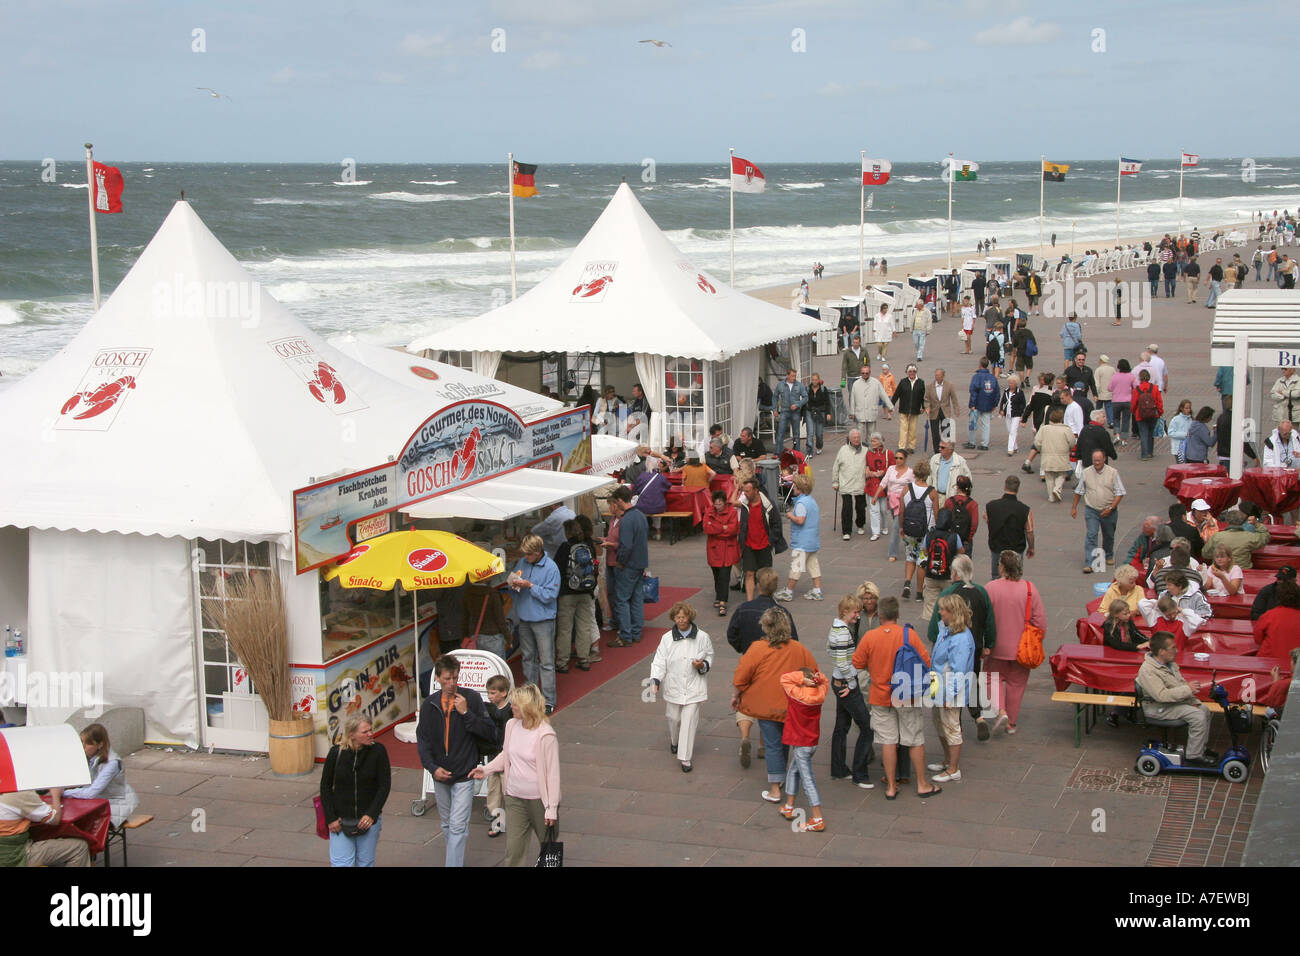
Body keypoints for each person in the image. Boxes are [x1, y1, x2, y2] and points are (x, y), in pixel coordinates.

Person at [851, 596, 941, 799]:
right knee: (915, 740)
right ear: (897, 614)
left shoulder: (870, 637)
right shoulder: (909, 635)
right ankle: (922, 784)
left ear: (880, 615)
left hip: (880, 696)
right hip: (906, 695)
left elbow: (856, 663)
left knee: (888, 741)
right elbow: (926, 663)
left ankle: (891, 786)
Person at [417, 655, 498, 867]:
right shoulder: (429, 705)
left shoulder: (470, 699)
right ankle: (455, 859)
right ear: (437, 678)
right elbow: (423, 741)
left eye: (454, 677)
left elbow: (490, 733)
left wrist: (466, 714)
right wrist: (433, 768)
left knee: (458, 826)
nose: (452, 683)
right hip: (440, 773)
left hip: (465, 772)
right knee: (447, 824)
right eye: (447, 679)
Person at [732, 607, 818, 803]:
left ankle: (775, 788)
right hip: (792, 705)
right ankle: (783, 778)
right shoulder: (799, 649)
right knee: (785, 742)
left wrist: (736, 695)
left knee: (772, 745)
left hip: (766, 705)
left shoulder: (757, 648)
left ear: (766, 626)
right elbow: (813, 673)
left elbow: (741, 676)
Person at [470, 683, 561, 867]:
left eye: (515, 704)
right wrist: (486, 769)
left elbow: (553, 774)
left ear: (527, 706)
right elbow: (506, 755)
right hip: (514, 798)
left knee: (548, 850)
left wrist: (551, 807)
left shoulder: (546, 735)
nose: (511, 706)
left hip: (539, 802)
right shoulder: (512, 725)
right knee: (513, 851)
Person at [646, 602, 714, 773]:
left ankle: (685, 758)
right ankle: (674, 741)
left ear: (689, 617)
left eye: (683, 617)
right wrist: (655, 679)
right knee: (674, 718)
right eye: (677, 617)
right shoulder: (667, 638)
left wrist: (702, 665)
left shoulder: (702, 637)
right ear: (673, 618)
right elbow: (660, 660)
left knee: (689, 721)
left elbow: (709, 655)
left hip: (694, 687)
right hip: (674, 685)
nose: (681, 620)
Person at [985, 550, 1046, 736]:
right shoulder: (1029, 589)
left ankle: (1000, 711)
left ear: (1001, 567)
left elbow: (983, 618)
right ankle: (1011, 722)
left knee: (991, 679)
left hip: (996, 647)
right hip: (1022, 648)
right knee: (1016, 684)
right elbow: (1040, 622)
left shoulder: (990, 588)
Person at [320, 715, 391, 867]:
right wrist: (330, 818)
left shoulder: (378, 751)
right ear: (352, 735)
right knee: (341, 864)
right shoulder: (336, 753)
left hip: (368, 821)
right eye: (365, 732)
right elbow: (325, 787)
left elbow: (384, 786)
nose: (370, 734)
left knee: (365, 863)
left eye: (371, 730)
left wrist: (372, 814)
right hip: (340, 820)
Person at [1136, 632, 1214, 765]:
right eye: (1172, 648)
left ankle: (1200, 748)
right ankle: (1194, 756)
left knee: (1204, 710)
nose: (1176, 651)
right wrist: (1188, 690)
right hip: (1157, 707)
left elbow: (1179, 685)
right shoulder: (1148, 670)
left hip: (1170, 704)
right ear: (1161, 651)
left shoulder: (1170, 664)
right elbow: (1161, 696)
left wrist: (1192, 701)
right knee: (1198, 716)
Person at [508, 534, 561, 710]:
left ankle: (548, 700)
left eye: (529, 554)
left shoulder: (551, 568)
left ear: (538, 552)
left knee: (546, 661)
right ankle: (531, 696)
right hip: (524, 618)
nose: (526, 557)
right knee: (528, 658)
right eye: (525, 554)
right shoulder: (523, 563)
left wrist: (531, 586)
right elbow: (514, 581)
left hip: (543, 620)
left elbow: (550, 596)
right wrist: (513, 584)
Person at [827, 594, 874, 789]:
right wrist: (852, 683)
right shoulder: (844, 633)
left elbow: (831, 652)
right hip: (846, 684)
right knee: (867, 727)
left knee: (842, 725)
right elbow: (841, 661)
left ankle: (838, 769)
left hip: (838, 681)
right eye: (856, 612)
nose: (858, 615)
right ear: (845, 612)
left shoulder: (836, 628)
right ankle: (859, 774)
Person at [776, 667, 830, 830]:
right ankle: (789, 806)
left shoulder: (796, 695)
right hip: (812, 741)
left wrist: (800, 679)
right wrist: (816, 678)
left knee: (808, 780)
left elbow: (784, 677)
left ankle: (817, 817)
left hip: (800, 742)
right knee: (793, 771)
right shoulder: (820, 694)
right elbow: (825, 680)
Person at [928, 595, 975, 782]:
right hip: (938, 685)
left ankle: (953, 769)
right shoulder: (947, 629)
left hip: (949, 689)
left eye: (943, 610)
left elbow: (959, 670)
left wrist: (950, 696)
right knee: (939, 723)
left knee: (951, 727)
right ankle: (948, 761)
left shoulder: (960, 638)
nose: (939, 612)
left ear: (952, 613)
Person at [62, 723, 139, 828]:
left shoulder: (112, 763)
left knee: (81, 821)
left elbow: (91, 793)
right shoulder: (90, 757)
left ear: (100, 744)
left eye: (88, 743)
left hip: (116, 804)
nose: (83, 747)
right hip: (100, 800)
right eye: (82, 742)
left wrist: (63, 792)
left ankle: (89, 844)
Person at [0, 789, 90, 867]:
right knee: (79, 847)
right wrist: (56, 795)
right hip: (13, 856)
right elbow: (54, 819)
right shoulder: (18, 793)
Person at [554, 519, 599, 673]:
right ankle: (584, 658)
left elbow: (557, 569)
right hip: (586, 592)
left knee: (565, 629)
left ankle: (562, 662)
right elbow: (594, 567)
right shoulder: (589, 545)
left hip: (568, 594)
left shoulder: (565, 547)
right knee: (584, 627)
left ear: (568, 532)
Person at [606, 487, 649, 648]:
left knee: (622, 599)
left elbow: (625, 546)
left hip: (628, 565)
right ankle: (636, 632)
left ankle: (625, 635)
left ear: (619, 501)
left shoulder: (627, 520)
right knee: (637, 598)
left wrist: (620, 562)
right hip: (640, 563)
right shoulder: (640, 516)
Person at [1072, 450, 1125, 574]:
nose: (1096, 462)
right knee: (1091, 534)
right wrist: (1074, 507)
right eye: (1094, 460)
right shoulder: (1086, 473)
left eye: (1099, 460)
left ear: (1104, 459)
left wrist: (1111, 508)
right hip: (1091, 509)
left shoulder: (1113, 473)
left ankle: (1108, 554)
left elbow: (1120, 493)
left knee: (1109, 534)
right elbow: (1079, 491)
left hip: (1109, 510)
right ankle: (1089, 563)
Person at [775, 473, 822, 602]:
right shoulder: (811, 500)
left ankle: (788, 591)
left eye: (795, 486)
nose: (793, 488)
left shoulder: (801, 503)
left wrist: (790, 515)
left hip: (802, 541)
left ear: (800, 488)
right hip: (813, 540)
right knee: (813, 565)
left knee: (796, 567)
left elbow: (801, 520)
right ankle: (817, 590)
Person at [736, 476, 784, 600]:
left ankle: (767, 599)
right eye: (743, 491)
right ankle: (750, 601)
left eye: (747, 491)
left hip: (764, 545)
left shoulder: (768, 505)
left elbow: (776, 525)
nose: (744, 494)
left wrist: (770, 542)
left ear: (756, 490)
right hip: (748, 545)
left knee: (765, 576)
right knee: (749, 573)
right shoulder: (745, 504)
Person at [899, 460, 939, 602]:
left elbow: (901, 511)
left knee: (910, 556)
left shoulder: (907, 489)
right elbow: (936, 513)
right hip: (926, 532)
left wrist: (901, 527)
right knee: (922, 560)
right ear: (928, 474)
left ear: (915, 473)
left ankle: (907, 582)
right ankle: (919, 592)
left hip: (910, 529)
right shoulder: (932, 492)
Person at [920, 507, 964, 622]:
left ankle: (933, 627)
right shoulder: (954, 536)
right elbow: (961, 552)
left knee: (931, 605)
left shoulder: (929, 535)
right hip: (948, 576)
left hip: (931, 574)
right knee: (950, 604)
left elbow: (925, 551)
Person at [703, 489, 740, 616]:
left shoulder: (732, 512)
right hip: (714, 549)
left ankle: (723, 602)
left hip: (727, 550)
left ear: (724, 502)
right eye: (716, 504)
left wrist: (716, 528)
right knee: (717, 575)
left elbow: (733, 529)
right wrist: (723, 527)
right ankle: (719, 596)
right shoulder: (709, 511)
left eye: (720, 503)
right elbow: (707, 528)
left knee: (724, 576)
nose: (717, 506)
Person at [874, 449, 914, 563]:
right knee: (903, 527)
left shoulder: (910, 472)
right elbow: (884, 483)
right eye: (896, 458)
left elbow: (914, 486)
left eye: (900, 458)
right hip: (891, 501)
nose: (898, 460)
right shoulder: (891, 469)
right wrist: (876, 496)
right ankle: (910, 544)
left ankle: (892, 553)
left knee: (896, 527)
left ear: (905, 459)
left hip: (904, 502)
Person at [1030, 406, 1075, 503]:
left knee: (1049, 476)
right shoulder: (1066, 429)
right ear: (1061, 418)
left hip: (1047, 456)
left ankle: (1051, 496)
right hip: (1062, 456)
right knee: (1063, 473)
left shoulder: (1044, 429)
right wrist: (1069, 449)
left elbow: (1037, 442)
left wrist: (1041, 450)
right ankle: (1057, 488)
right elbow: (1072, 442)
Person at [1202, 508, 1272, 569]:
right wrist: (1256, 524)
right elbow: (1265, 536)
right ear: (1243, 521)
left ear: (1227, 521)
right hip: (1243, 571)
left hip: (1221, 570)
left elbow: (1205, 554)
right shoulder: (1250, 537)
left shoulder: (1217, 536)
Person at [832, 428, 868, 540]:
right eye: (854, 438)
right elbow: (835, 467)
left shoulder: (866, 450)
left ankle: (860, 524)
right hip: (845, 483)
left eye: (858, 437)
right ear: (850, 439)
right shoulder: (843, 450)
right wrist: (835, 482)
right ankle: (846, 531)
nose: (856, 440)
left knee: (861, 507)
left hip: (860, 483)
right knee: (847, 508)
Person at [1254, 580, 1300, 660]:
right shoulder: (1269, 615)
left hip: (1269, 661)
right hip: (1295, 662)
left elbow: (1258, 638)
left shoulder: (1269, 615)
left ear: (1279, 597)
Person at [891, 364, 926, 455]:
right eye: (910, 371)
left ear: (916, 372)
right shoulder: (903, 382)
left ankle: (911, 446)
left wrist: (924, 407)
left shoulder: (921, 382)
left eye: (914, 371)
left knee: (913, 429)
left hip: (915, 409)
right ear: (907, 372)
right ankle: (902, 447)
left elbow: (923, 396)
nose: (912, 373)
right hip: (904, 409)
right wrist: (891, 405)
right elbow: (896, 394)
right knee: (903, 429)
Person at [849, 362, 891, 435]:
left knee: (871, 434)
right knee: (859, 434)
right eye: (863, 373)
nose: (865, 374)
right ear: (861, 373)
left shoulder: (876, 382)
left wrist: (890, 406)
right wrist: (852, 412)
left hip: (872, 411)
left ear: (870, 373)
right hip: (860, 412)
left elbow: (884, 395)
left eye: (866, 373)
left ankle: (870, 446)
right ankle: (861, 446)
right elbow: (852, 399)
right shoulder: (856, 384)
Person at [1130, 369, 1163, 460]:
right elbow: (1159, 402)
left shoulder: (1137, 389)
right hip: (1153, 414)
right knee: (1150, 433)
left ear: (1140, 378)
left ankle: (1144, 454)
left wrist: (1133, 412)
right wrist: (1160, 412)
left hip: (1140, 415)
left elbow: (1133, 403)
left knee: (1143, 434)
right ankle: (1150, 452)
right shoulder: (1155, 388)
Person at [925, 367, 960, 452]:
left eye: (938, 375)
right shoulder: (929, 386)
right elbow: (926, 399)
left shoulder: (949, 385)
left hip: (945, 411)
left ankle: (946, 449)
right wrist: (927, 407)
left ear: (943, 376)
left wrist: (956, 410)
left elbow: (954, 398)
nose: (936, 377)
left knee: (946, 433)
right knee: (935, 433)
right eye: (936, 375)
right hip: (934, 412)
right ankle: (937, 451)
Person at [928, 438, 971, 507]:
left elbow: (968, 481)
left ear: (950, 450)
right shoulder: (934, 459)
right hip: (936, 497)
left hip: (952, 499)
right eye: (939, 447)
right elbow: (929, 478)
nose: (939, 449)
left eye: (942, 447)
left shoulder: (960, 461)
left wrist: (961, 496)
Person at [997, 374, 1026, 455]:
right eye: (1009, 383)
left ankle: (1010, 449)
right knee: (1010, 431)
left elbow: (1023, 404)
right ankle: (1015, 447)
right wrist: (1001, 410)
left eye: (1012, 383)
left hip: (1016, 414)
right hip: (1008, 414)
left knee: (1013, 431)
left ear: (1016, 383)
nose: (1010, 384)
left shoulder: (1020, 392)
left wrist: (1021, 413)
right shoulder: (1006, 391)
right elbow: (1002, 401)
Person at [804, 373, 832, 455]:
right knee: (810, 432)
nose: (814, 381)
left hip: (820, 412)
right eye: (813, 379)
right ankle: (809, 451)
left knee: (819, 433)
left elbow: (827, 402)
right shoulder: (808, 389)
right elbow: (805, 401)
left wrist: (828, 413)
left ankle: (819, 446)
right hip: (810, 411)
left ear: (819, 380)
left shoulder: (823, 389)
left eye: (816, 379)